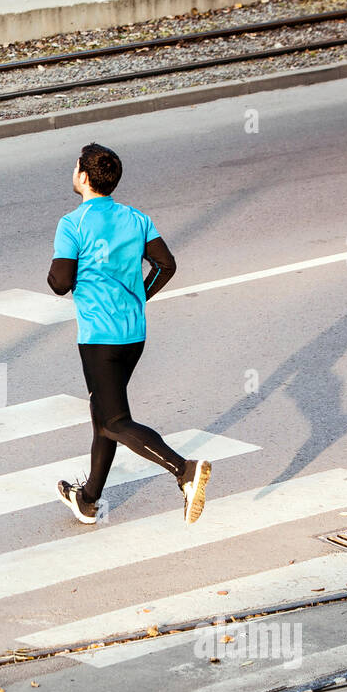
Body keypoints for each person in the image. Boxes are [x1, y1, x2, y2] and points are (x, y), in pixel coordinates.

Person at [47, 142, 210, 525]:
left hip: (99, 338)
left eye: (76, 167)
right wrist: (140, 296)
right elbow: (165, 265)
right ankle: (88, 499)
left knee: (114, 420)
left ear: (83, 177)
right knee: (103, 413)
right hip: (133, 335)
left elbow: (59, 282)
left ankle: (183, 470)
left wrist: (61, 274)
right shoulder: (136, 218)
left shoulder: (73, 224)